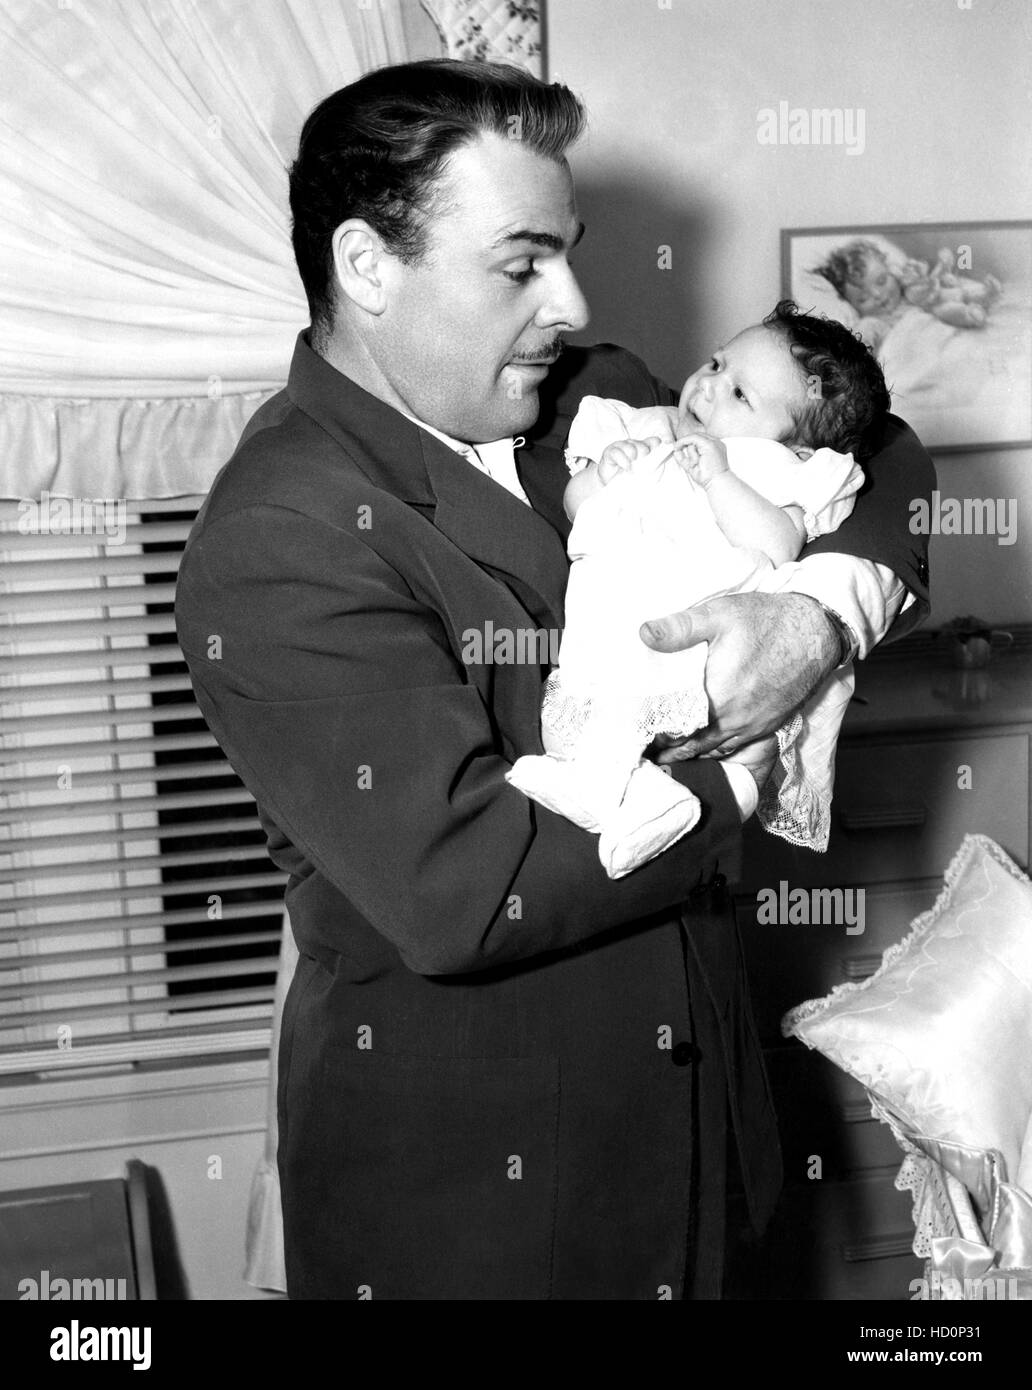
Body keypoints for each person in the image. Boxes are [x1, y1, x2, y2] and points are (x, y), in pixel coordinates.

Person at [174, 59, 934, 1300]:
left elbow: (888, 459)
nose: (573, 302)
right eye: (523, 264)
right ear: (368, 268)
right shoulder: (280, 538)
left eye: (567, 252)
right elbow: (473, 891)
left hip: (709, 1145)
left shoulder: (588, 393)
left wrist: (818, 622)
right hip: (490, 1219)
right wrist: (738, 786)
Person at [507, 301, 890, 876]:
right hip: (614, 600)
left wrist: (720, 477)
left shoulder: (775, 468)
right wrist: (601, 474)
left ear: (801, 447)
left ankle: (649, 795)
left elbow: (779, 542)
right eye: (716, 365)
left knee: (642, 693)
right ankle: (638, 800)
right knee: (590, 696)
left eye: (741, 395)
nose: (708, 388)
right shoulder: (645, 422)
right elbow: (579, 508)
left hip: (695, 619)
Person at [816, 238, 1002, 349]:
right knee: (939, 310)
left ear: (891, 271)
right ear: (851, 305)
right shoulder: (873, 323)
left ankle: (981, 298)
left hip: (934, 321)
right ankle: (968, 314)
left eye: (881, 281)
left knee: (943, 301)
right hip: (912, 344)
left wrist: (935, 273)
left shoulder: (906, 292)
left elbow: (933, 290)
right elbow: (858, 346)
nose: (878, 296)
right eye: (863, 299)